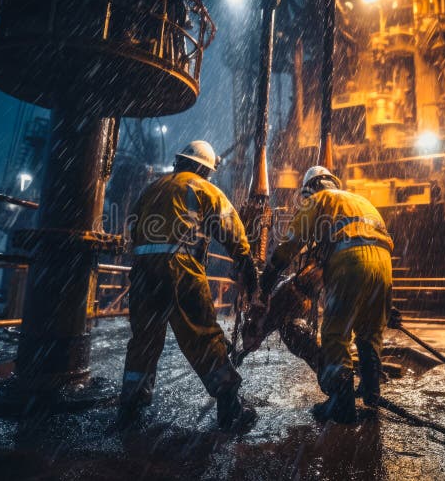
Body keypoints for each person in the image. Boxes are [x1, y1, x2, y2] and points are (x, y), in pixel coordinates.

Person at [119, 140, 259, 432]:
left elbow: (133, 227)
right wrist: (245, 261)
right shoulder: (202, 188)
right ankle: (231, 407)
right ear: (203, 168)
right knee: (202, 335)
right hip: (180, 268)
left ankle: (131, 405)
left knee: (144, 339)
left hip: (144, 272)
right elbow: (229, 226)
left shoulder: (152, 188)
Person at [260, 166, 393, 424]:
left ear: (311, 188)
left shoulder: (319, 201)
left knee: (335, 333)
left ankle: (341, 404)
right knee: (370, 331)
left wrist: (267, 280)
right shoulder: (361, 201)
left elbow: (290, 244)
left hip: (350, 259)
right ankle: (371, 394)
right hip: (384, 264)